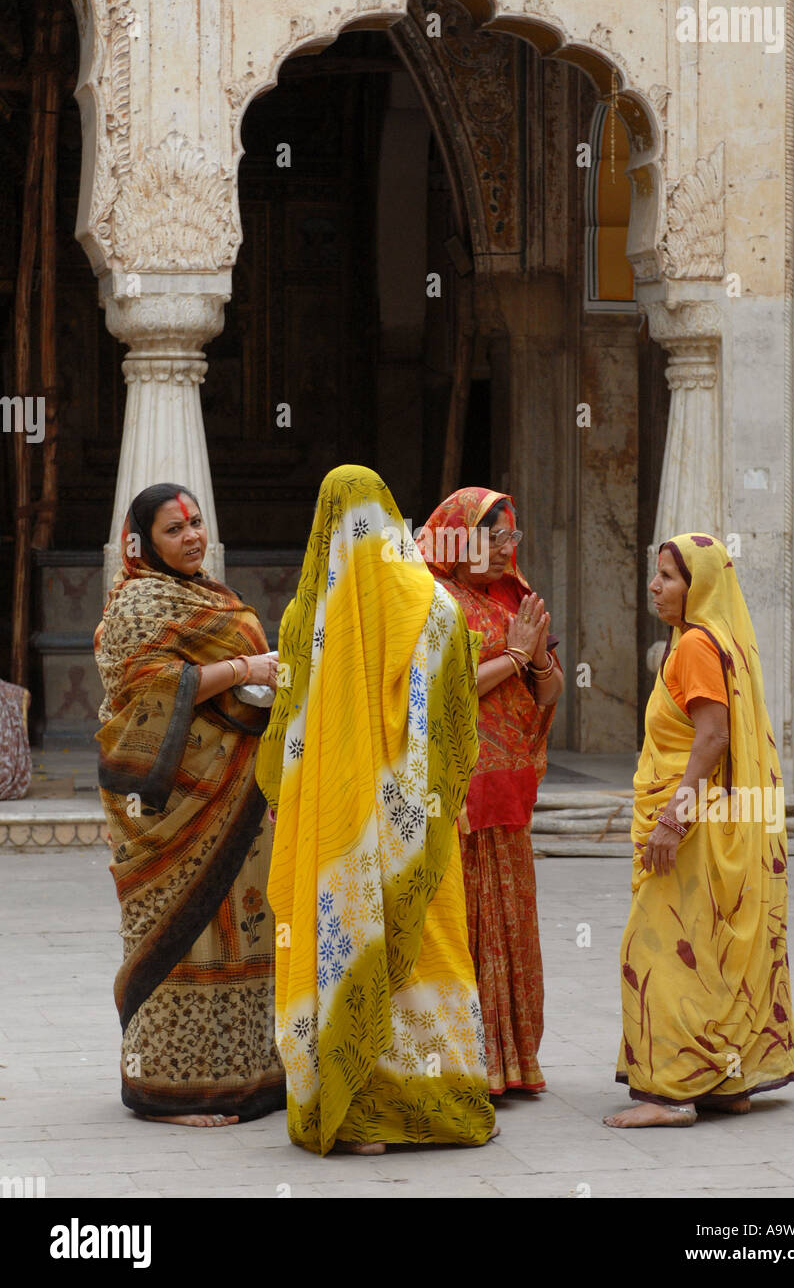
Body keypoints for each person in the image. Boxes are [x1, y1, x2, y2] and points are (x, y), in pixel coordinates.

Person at [255, 464, 497, 1155]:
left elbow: (289, 730)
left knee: (341, 951)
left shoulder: (304, 616)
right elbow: (454, 708)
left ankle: (354, 1113)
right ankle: (435, 1106)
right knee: (425, 951)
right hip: (413, 829)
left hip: (334, 830)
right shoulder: (431, 605)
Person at [94, 482, 285, 1127]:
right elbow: (143, 693)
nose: (192, 537)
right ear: (144, 540)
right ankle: (172, 1091)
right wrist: (246, 671)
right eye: (174, 530)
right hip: (172, 802)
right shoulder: (139, 602)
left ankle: (244, 1074)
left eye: (196, 522)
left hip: (240, 789)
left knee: (243, 922)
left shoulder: (211, 593)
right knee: (179, 931)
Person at [604, 533, 794, 1128]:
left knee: (656, 949)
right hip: (720, 827)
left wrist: (672, 817)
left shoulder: (693, 646)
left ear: (700, 587)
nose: (656, 587)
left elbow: (712, 738)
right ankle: (725, 1082)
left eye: (669, 577)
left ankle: (670, 1094)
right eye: (657, 574)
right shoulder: (726, 642)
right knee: (711, 948)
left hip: (691, 829)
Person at [417, 488, 563, 1096]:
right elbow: (443, 690)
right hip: (457, 787)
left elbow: (548, 695)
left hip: (507, 785)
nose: (505, 550)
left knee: (511, 916)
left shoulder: (515, 598)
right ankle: (469, 1060)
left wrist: (535, 664)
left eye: (512, 538)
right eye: (491, 538)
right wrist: (515, 653)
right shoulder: (433, 603)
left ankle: (514, 1059)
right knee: (469, 917)